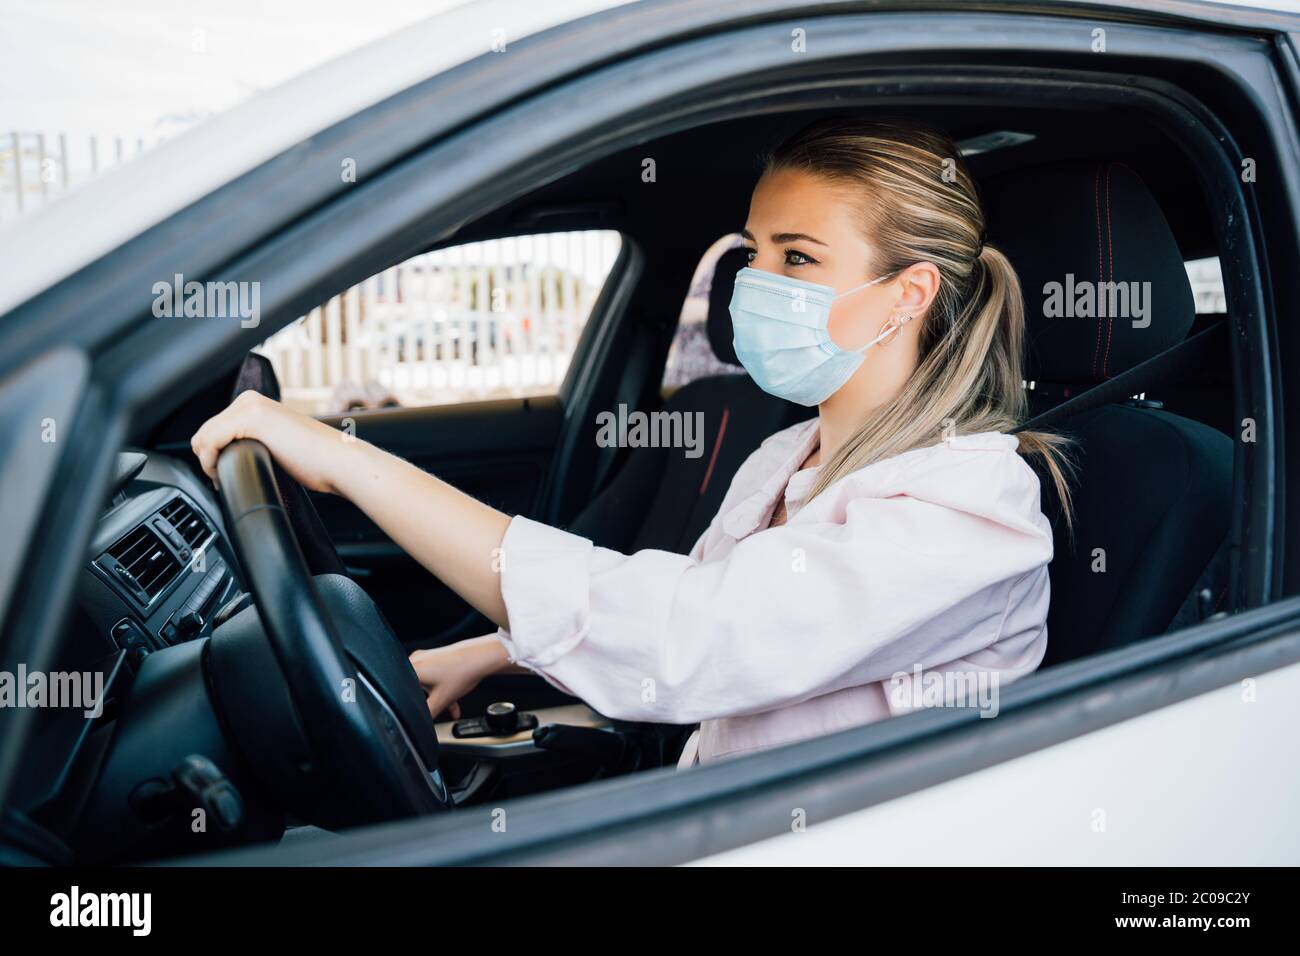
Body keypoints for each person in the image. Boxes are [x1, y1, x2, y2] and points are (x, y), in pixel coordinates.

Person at [191, 118, 1071, 769]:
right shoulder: (789, 455)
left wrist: (348, 460)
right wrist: (494, 651)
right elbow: (695, 598)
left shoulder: (972, 511)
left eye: (797, 258)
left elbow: (684, 639)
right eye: (753, 249)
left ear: (907, 295)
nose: (754, 280)